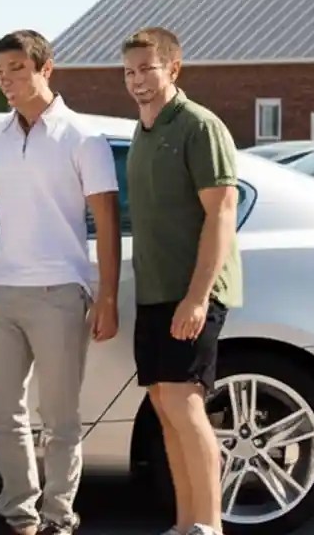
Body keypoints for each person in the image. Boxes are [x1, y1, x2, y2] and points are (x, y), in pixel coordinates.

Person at [0, 29, 122, 535]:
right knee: (1, 410)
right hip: (5, 291)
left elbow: (106, 220)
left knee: (59, 417)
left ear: (45, 68)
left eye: (16, 69)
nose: (7, 81)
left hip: (61, 291)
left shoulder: (83, 137)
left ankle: (60, 516)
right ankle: (21, 514)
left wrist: (107, 297)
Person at [121, 26, 242, 535]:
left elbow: (221, 214)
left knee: (184, 401)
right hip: (154, 292)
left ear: (173, 67)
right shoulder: (143, 130)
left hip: (192, 292)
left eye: (147, 69)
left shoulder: (199, 126)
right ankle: (185, 522)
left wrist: (196, 298)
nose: (137, 81)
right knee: (163, 404)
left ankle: (209, 526)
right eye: (128, 72)